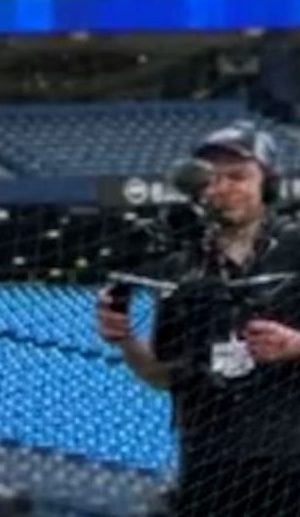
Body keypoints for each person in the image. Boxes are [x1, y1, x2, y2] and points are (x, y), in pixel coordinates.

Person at [95, 122, 300, 516]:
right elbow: (161, 374)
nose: (223, 187)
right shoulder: (181, 268)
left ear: (268, 184)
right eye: (211, 178)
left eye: (238, 176)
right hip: (210, 460)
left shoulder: (296, 248)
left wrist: (295, 345)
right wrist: (123, 337)